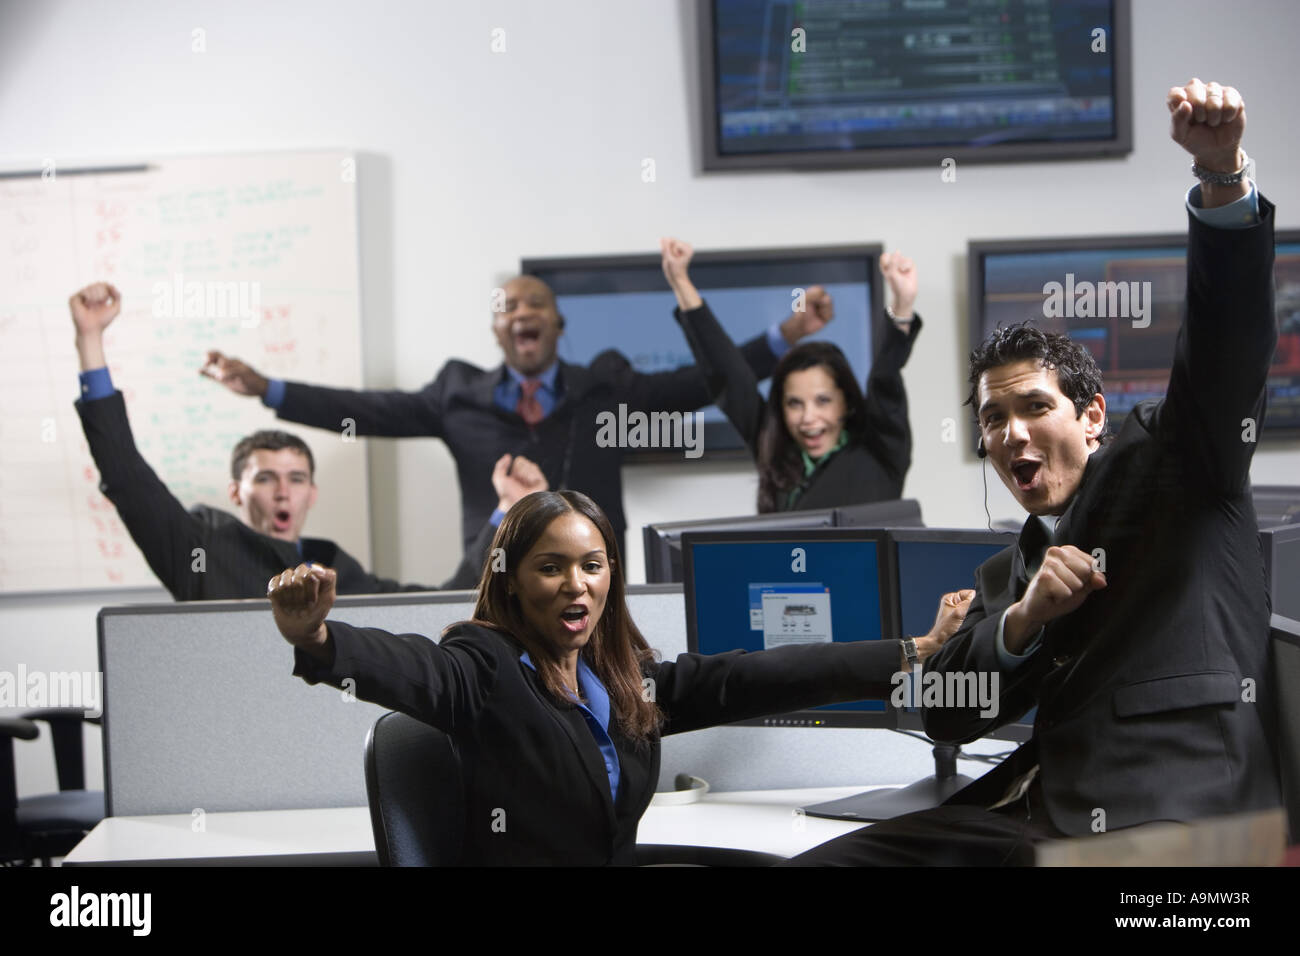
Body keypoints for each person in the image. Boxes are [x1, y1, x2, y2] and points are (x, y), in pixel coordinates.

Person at [784, 78, 1282, 866]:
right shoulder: (1007, 571)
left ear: (1091, 417)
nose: (1011, 432)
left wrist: (1221, 179)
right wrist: (1023, 622)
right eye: (991, 419)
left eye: (1034, 408)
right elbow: (948, 712)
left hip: (1174, 820)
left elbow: (1226, 348)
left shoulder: (1177, 465)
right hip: (1036, 812)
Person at [268, 489, 975, 865]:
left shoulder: (622, 677)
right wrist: (319, 638)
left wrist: (912, 649)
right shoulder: (482, 667)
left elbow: (756, 677)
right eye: (551, 568)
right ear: (512, 582)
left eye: (592, 565)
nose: (576, 586)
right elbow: (411, 670)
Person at [200, 274, 830, 560]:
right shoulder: (455, 395)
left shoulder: (605, 386)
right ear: (497, 329)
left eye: (536, 303)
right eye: (508, 305)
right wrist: (268, 387)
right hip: (493, 572)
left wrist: (785, 337)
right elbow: (364, 411)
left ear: (557, 324)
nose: (521, 311)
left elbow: (697, 384)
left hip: (593, 577)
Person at [69, 283, 544, 598]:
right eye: (266, 478)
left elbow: (450, 598)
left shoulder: (337, 569)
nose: (283, 490)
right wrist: (89, 340)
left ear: (311, 495)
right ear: (236, 491)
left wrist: (507, 511)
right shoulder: (202, 545)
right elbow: (127, 478)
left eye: (296, 478)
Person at [661, 238, 921, 512]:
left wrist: (902, 305)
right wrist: (680, 281)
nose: (809, 418)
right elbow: (729, 375)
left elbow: (885, 377)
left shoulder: (880, 450)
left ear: (846, 402)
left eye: (823, 401)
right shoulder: (774, 451)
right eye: (795, 403)